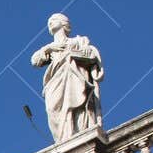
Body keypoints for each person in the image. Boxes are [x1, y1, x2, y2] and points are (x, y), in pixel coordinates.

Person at [29, 13, 104, 142]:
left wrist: (83, 52)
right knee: (52, 109)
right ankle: (62, 139)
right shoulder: (50, 48)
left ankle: (76, 135)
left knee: (77, 105)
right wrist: (48, 48)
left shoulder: (78, 41)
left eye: (54, 19)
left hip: (74, 76)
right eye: (49, 21)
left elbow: (92, 55)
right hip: (55, 81)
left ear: (63, 23)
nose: (50, 22)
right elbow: (35, 61)